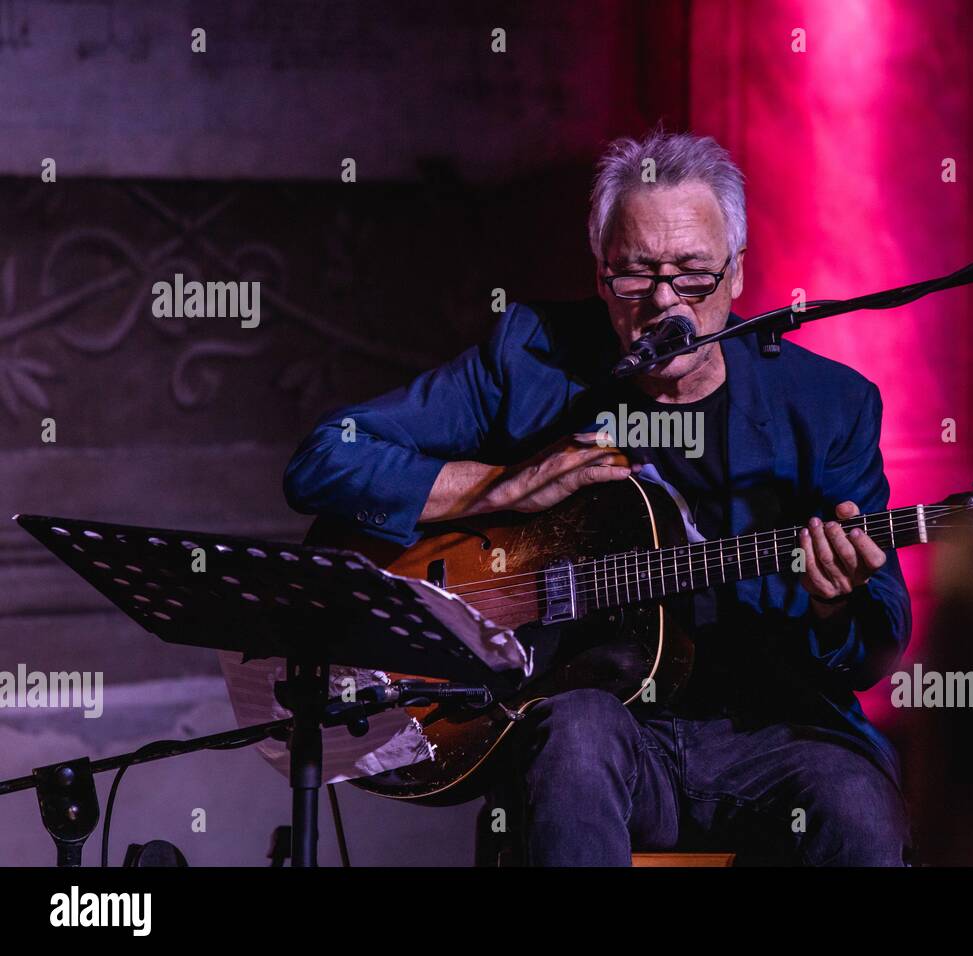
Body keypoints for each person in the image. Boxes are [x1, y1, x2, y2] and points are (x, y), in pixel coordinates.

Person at [284, 129, 913, 866]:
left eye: (693, 275)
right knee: (578, 733)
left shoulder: (825, 405)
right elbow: (325, 458)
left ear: (738, 274)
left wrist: (835, 603)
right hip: (602, 731)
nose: (663, 302)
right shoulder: (533, 356)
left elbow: (879, 640)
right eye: (634, 275)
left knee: (857, 805)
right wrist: (495, 487)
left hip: (770, 735)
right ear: (599, 272)